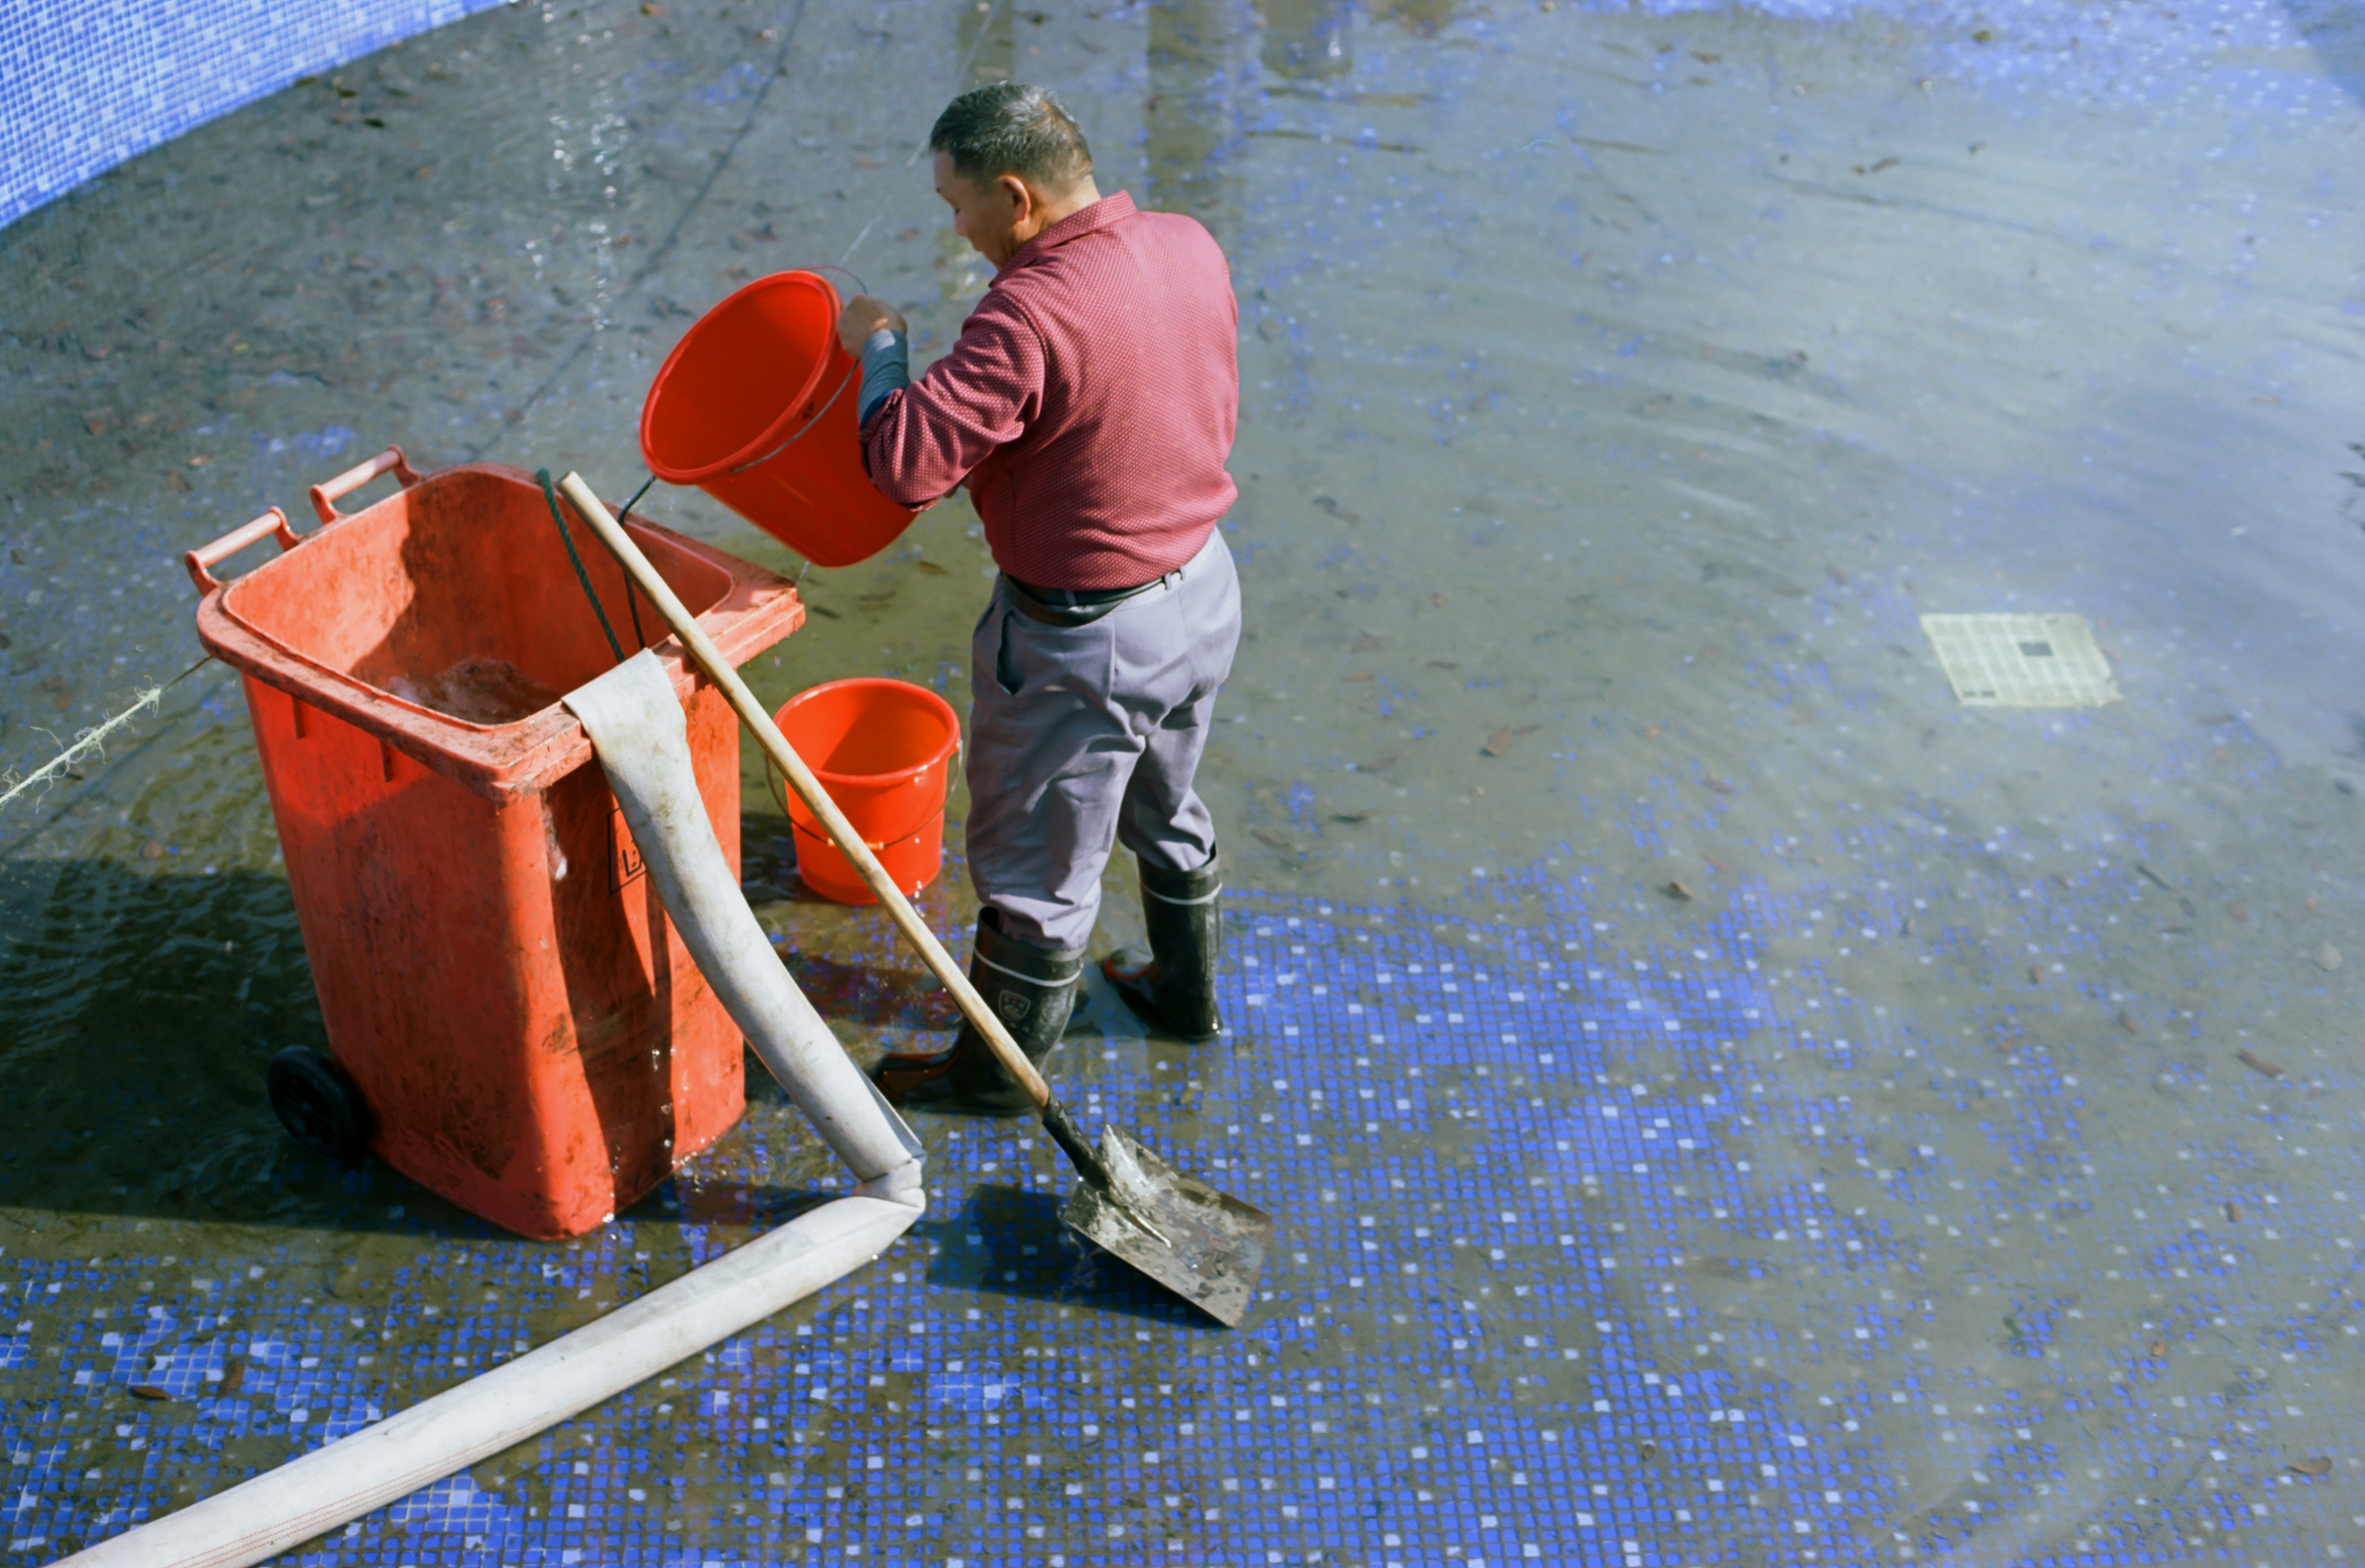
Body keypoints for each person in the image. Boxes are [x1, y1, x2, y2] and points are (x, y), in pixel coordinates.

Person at [837, 83, 1241, 1115]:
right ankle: (1186, 997)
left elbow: (905, 464)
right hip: (1200, 591)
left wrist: (881, 351)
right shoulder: (1189, 243)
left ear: (1015, 198)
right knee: (1166, 803)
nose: (955, 226)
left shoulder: (1027, 310)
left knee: (1034, 865)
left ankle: (998, 1077)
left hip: (1085, 638)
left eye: (955, 204)